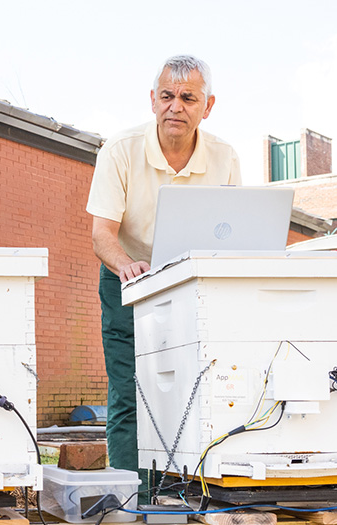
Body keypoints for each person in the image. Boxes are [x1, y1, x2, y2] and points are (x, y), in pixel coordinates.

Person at [85, 55, 241, 493]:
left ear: (207, 106)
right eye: (168, 96)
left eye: (188, 98)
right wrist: (125, 265)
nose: (176, 106)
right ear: (153, 100)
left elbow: (234, 233)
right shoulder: (119, 150)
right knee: (129, 392)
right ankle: (133, 493)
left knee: (199, 387)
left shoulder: (225, 157)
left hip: (193, 287)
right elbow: (101, 234)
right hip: (128, 281)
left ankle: (191, 488)